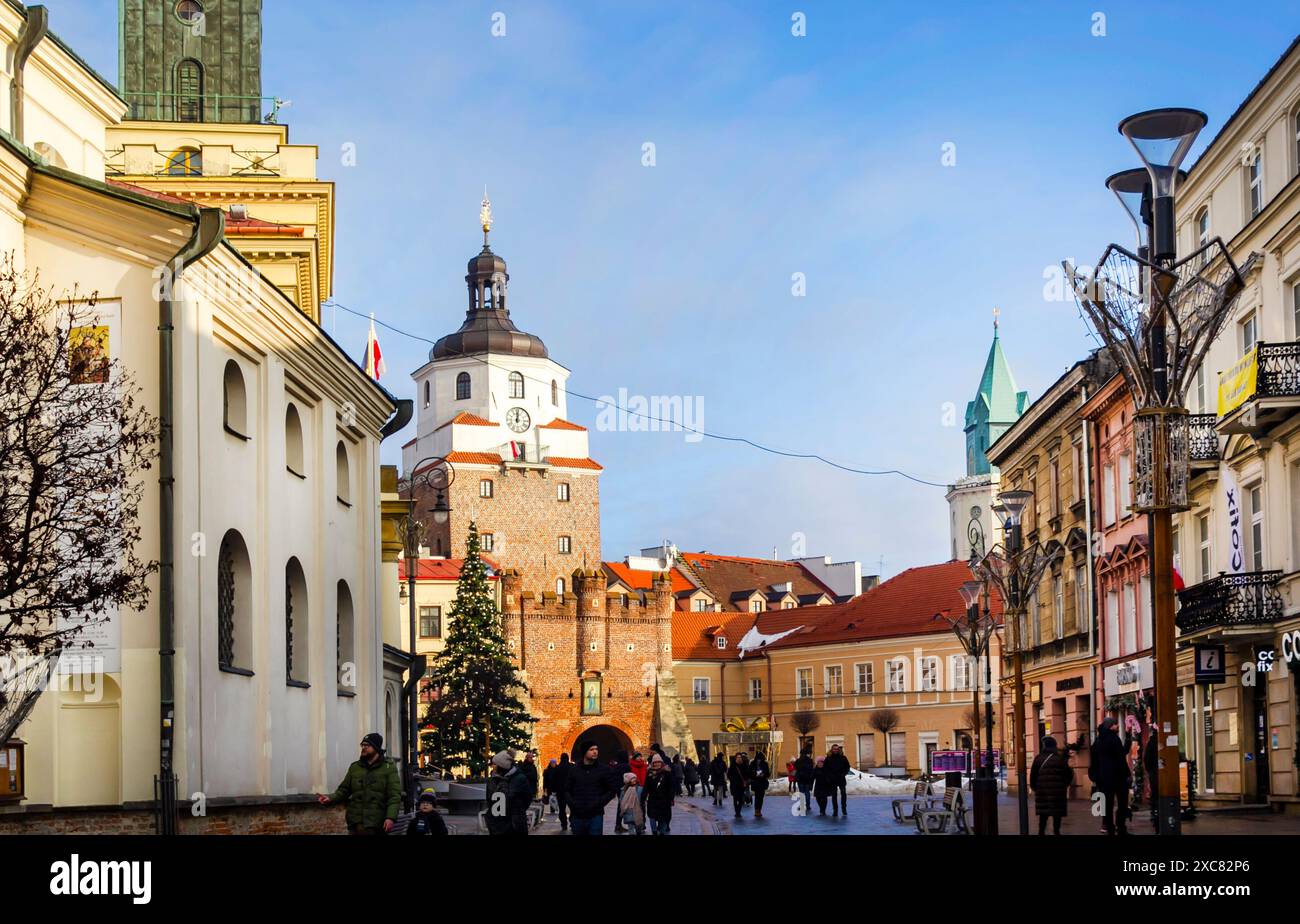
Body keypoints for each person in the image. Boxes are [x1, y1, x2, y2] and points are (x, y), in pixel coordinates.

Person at [317, 732, 401, 835]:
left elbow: (394, 796)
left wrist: (390, 817)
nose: (364, 748)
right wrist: (330, 798)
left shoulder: (388, 768)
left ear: (376, 748)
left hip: (376, 824)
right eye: (363, 745)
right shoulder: (355, 767)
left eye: (367, 745)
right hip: (355, 822)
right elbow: (344, 790)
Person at [1089, 717, 1132, 835]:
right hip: (1118, 778)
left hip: (1103, 780)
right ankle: (1121, 827)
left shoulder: (1097, 741)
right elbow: (1121, 758)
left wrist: (1095, 776)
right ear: (1110, 726)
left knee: (1107, 805)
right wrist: (1127, 775)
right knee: (1122, 803)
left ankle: (1109, 828)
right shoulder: (1113, 739)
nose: (1117, 726)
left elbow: (1093, 761)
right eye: (1115, 724)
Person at [566, 743, 618, 836]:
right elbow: (566, 790)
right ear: (584, 752)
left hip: (595, 815)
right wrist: (573, 804)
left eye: (596, 749)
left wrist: (599, 803)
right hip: (577, 814)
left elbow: (612, 790)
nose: (595, 752)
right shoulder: (574, 770)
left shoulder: (604, 769)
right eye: (591, 749)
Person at [1029, 736, 1072, 835]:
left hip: (1042, 791)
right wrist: (1064, 785)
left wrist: (1035, 787)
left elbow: (1033, 776)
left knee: (1043, 814)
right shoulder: (1059, 759)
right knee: (1057, 813)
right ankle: (1056, 831)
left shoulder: (1038, 758)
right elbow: (1069, 774)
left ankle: (1041, 831)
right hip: (1058, 791)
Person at [484, 750, 533, 835]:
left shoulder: (519, 779)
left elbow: (527, 799)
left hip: (514, 825)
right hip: (497, 825)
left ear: (502, 766)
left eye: (495, 764)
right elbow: (490, 800)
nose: (492, 767)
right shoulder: (493, 780)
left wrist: (517, 812)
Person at [642, 753, 676, 834]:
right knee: (652, 816)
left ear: (661, 762)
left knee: (663, 818)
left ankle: (662, 831)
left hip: (664, 800)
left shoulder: (667, 773)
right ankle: (654, 831)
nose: (657, 763)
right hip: (653, 800)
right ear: (652, 763)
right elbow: (646, 786)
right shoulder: (649, 773)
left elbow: (671, 786)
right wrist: (643, 797)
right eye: (655, 762)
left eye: (659, 762)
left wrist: (671, 797)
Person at [824, 743, 851, 817]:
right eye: (834, 749)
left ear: (839, 750)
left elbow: (847, 767)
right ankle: (835, 811)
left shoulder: (843, 757)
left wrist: (843, 774)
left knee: (843, 794)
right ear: (831, 750)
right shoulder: (828, 758)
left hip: (841, 779)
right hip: (832, 780)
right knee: (834, 796)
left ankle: (844, 809)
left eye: (837, 749)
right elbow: (825, 769)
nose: (835, 750)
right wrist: (828, 777)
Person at [1143, 720, 1160, 830]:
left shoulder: (1151, 742)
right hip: (1159, 772)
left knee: (1155, 794)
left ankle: (1155, 813)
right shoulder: (1158, 741)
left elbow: (1146, 759)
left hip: (1154, 772)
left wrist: (1150, 770)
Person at [612, 750, 633, 833]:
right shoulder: (626, 766)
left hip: (618, 788)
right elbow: (628, 778)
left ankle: (618, 825)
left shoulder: (616, 766)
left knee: (620, 806)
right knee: (622, 807)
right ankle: (618, 825)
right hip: (625, 788)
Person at [727, 753, 752, 819]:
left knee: (740, 799)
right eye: (738, 757)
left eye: (740, 757)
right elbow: (728, 774)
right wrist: (732, 779)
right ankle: (736, 812)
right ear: (735, 758)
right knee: (735, 798)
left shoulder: (744, 765)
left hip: (741, 785)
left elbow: (747, 774)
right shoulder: (733, 765)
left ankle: (739, 811)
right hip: (734, 785)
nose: (739, 758)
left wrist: (746, 780)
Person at [552, 753, 573, 831]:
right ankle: (572, 822)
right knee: (573, 808)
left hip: (560, 792)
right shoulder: (572, 767)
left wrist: (553, 790)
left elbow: (554, 780)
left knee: (562, 809)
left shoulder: (557, 768)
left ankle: (564, 825)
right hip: (570, 792)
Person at [749, 750, 770, 819]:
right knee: (758, 797)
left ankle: (758, 810)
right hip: (756, 782)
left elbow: (768, 773)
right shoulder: (752, 763)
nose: (759, 760)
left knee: (760, 797)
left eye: (760, 759)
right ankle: (757, 810)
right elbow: (750, 773)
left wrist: (763, 774)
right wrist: (755, 774)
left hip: (762, 782)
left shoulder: (764, 763)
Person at [794, 748, 815, 812]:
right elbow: (811, 769)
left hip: (800, 779)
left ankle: (802, 805)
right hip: (807, 779)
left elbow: (796, 768)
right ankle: (808, 806)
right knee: (807, 792)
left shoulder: (798, 761)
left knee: (801, 793)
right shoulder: (810, 760)